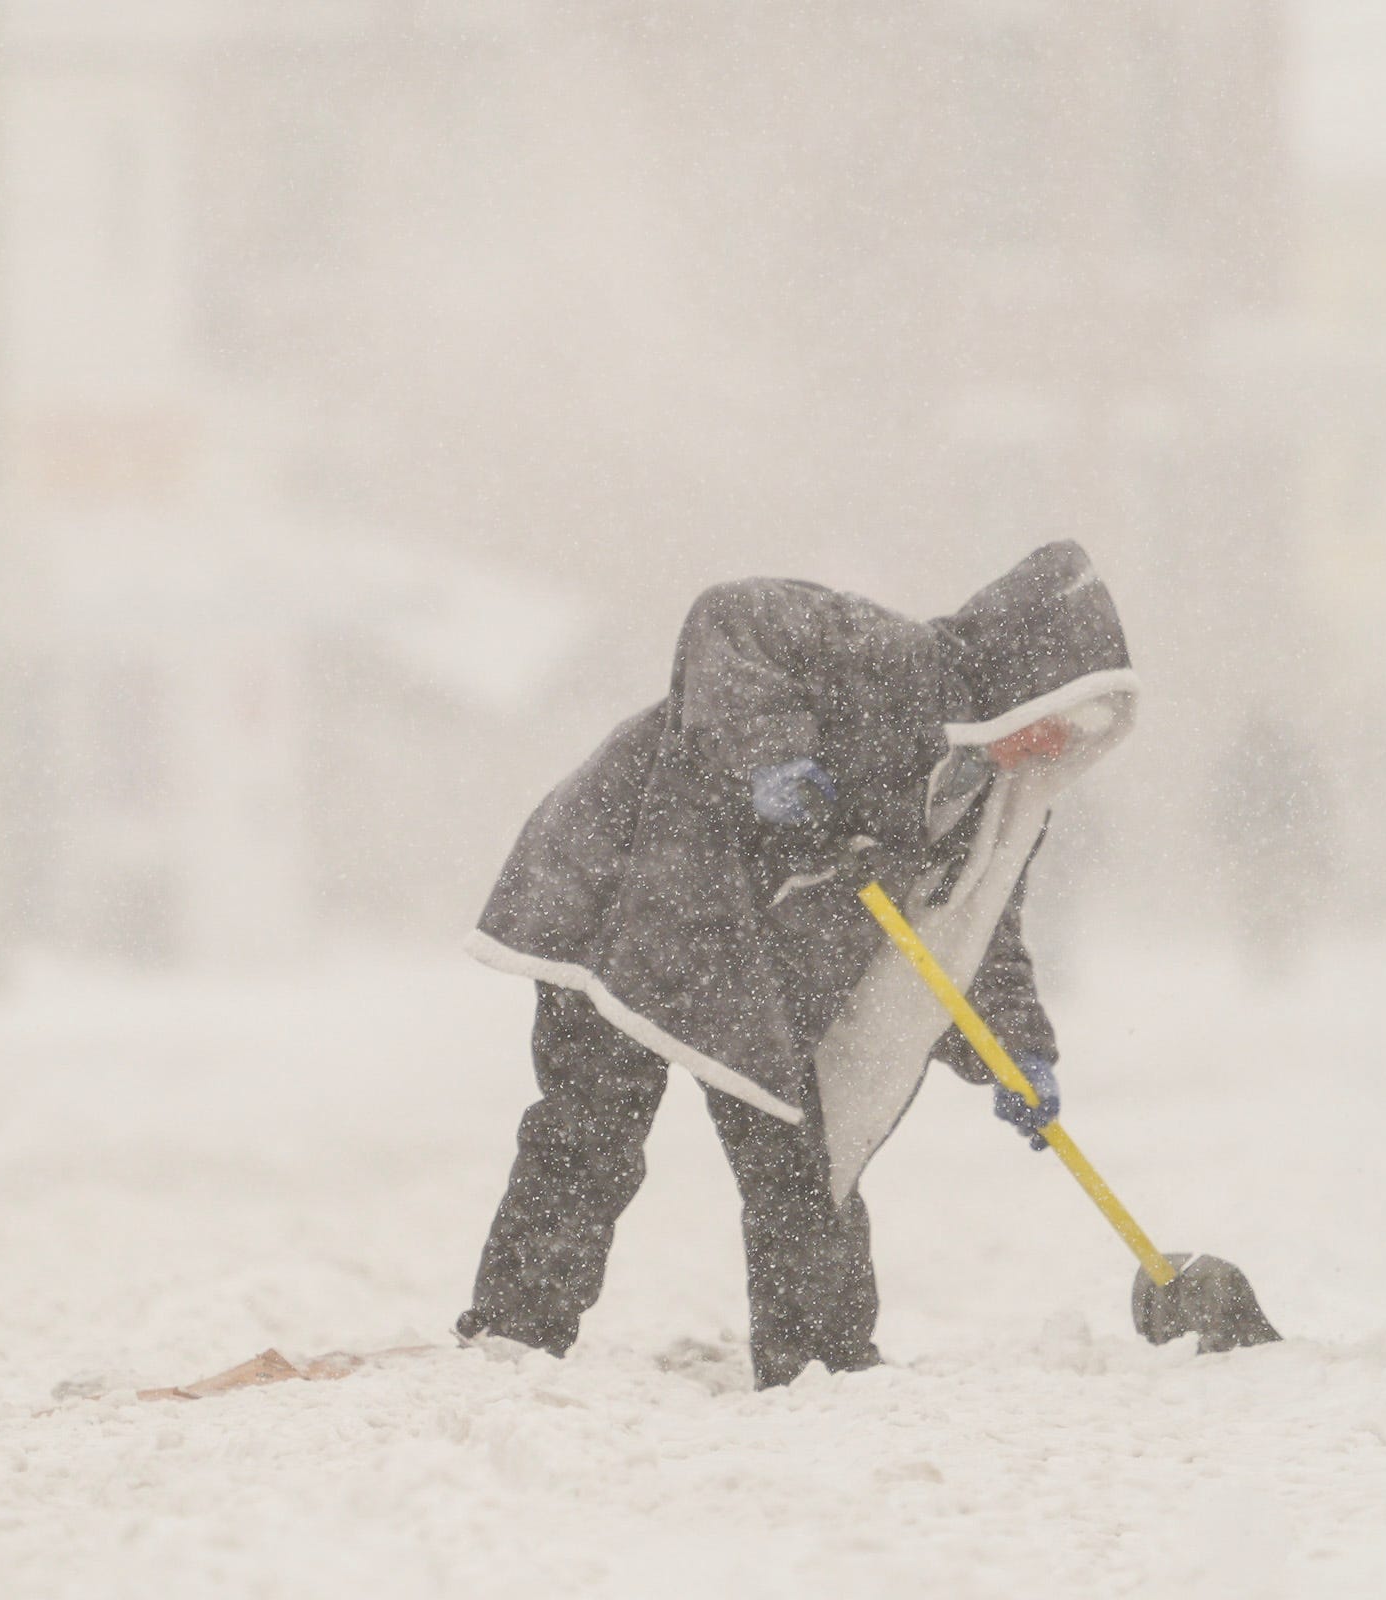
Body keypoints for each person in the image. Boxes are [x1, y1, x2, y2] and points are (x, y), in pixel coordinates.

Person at [455, 541, 1137, 1387]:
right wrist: (769, 757)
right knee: (593, 1121)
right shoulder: (896, 661)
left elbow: (974, 930)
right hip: (631, 869)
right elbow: (731, 614)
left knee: (797, 1147)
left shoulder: (994, 803)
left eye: (1077, 735)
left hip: (750, 937)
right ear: (1020, 681)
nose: (1052, 743)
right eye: (1057, 715)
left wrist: (1016, 1048)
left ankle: (819, 1358)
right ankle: (516, 1334)